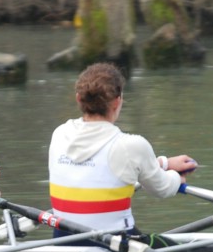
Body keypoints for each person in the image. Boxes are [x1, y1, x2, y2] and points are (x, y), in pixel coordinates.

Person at [48, 62, 197, 241]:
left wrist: (164, 163)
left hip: (63, 243)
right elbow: (162, 189)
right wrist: (176, 177)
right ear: (118, 101)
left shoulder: (60, 134)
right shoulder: (131, 146)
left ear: (78, 98)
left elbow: (101, 171)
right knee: (173, 249)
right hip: (115, 245)